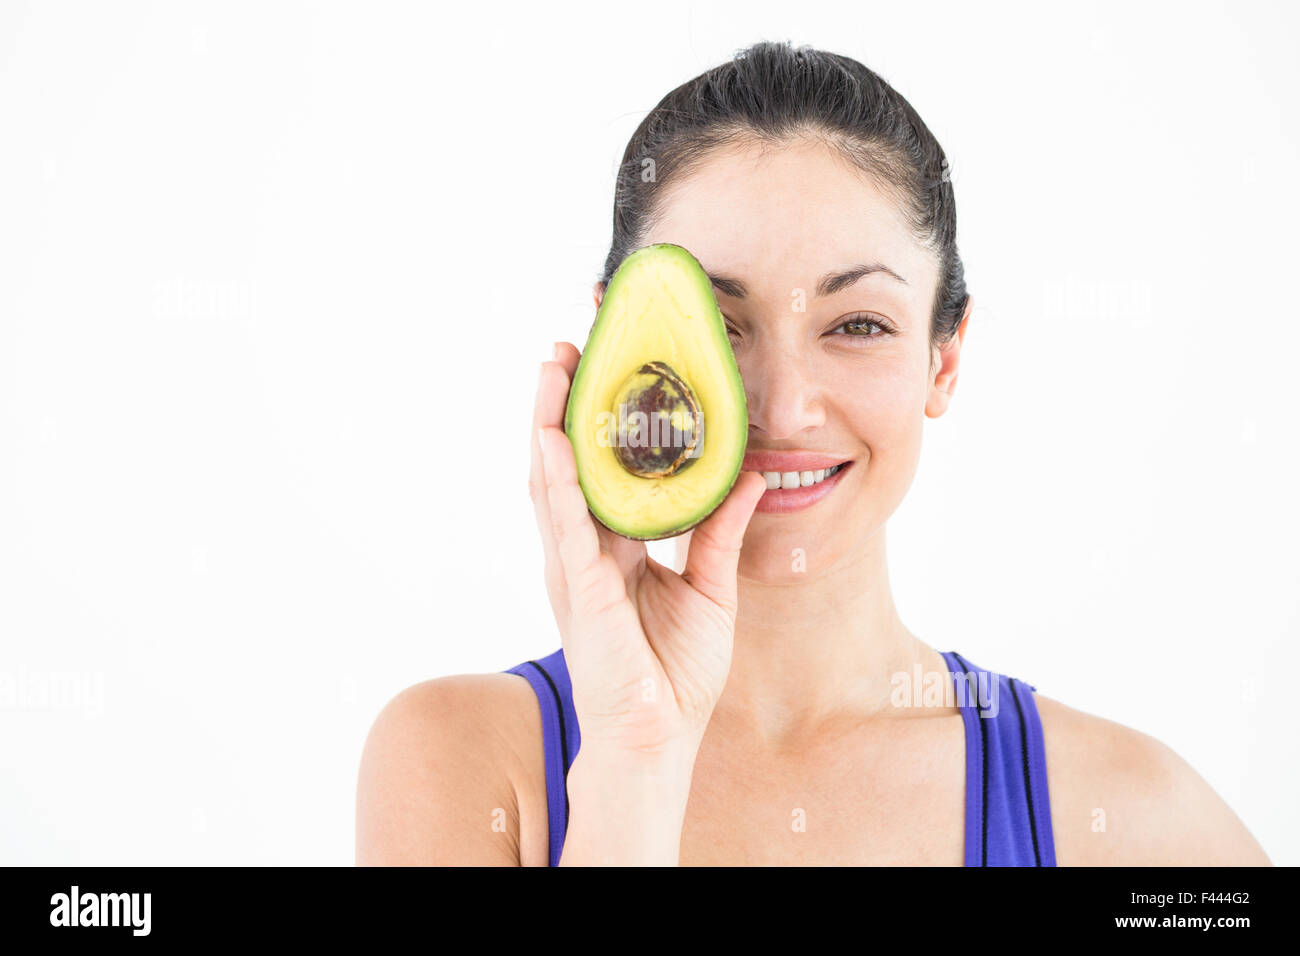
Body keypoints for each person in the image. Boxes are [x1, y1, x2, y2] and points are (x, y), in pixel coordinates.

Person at [355, 40, 1271, 866]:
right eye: (716, 325)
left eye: (859, 324)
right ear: (608, 352)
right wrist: (637, 755)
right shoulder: (459, 764)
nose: (783, 408)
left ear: (942, 361)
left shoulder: (1134, 819)